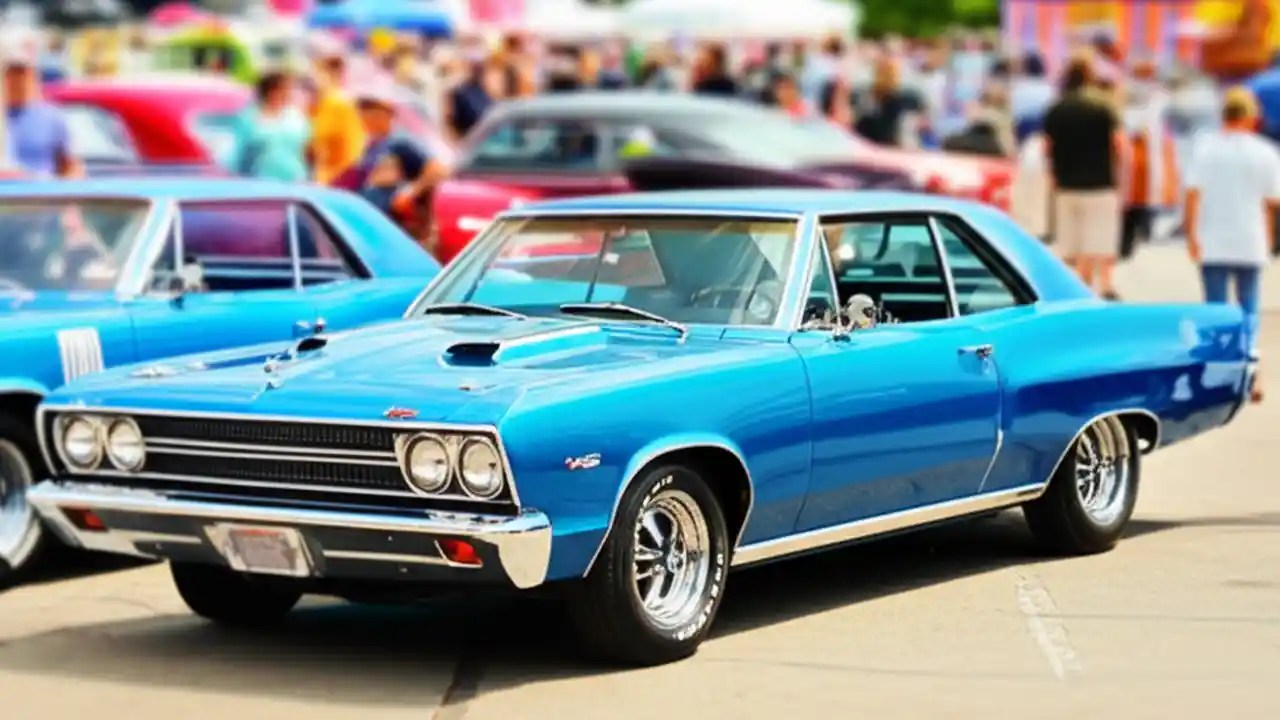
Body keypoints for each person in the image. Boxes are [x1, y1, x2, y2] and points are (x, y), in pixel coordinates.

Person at [1184, 87, 1279, 402]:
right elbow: (1272, 202)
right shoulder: (1264, 152)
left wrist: (1191, 235)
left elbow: (1193, 195)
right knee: (1249, 309)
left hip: (1213, 240)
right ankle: (1248, 375)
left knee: (1215, 309)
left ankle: (1217, 374)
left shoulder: (1206, 150)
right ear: (1251, 117)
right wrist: (1268, 238)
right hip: (1250, 240)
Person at [1043, 59, 1127, 299]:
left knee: (1072, 245)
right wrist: (1120, 178)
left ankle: (1080, 286)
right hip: (1100, 184)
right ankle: (1089, 286)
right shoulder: (1104, 107)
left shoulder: (1056, 109)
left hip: (1067, 185)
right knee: (1097, 243)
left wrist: (1053, 175)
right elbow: (1119, 145)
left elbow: (1047, 148)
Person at [354, 87, 450, 248]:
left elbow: (437, 170)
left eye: (371, 111)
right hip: (375, 223)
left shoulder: (401, 142)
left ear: (386, 114)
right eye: (363, 111)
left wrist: (410, 191)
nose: (365, 117)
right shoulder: (372, 145)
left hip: (397, 227)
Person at [3, 45, 79, 178]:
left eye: (23, 73)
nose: (18, 80)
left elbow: (70, 166)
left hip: (40, 194)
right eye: (12, 73)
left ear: (34, 76)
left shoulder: (52, 118)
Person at [231, 71, 310, 182]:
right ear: (270, 91)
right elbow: (239, 154)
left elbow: (305, 151)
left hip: (294, 181)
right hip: (260, 181)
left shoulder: (295, 117)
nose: (288, 93)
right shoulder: (250, 117)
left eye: (289, 89)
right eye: (283, 89)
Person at [308, 42, 365, 187]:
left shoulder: (340, 104)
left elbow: (353, 150)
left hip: (334, 181)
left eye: (320, 71)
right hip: (317, 179)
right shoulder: (315, 104)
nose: (314, 78)